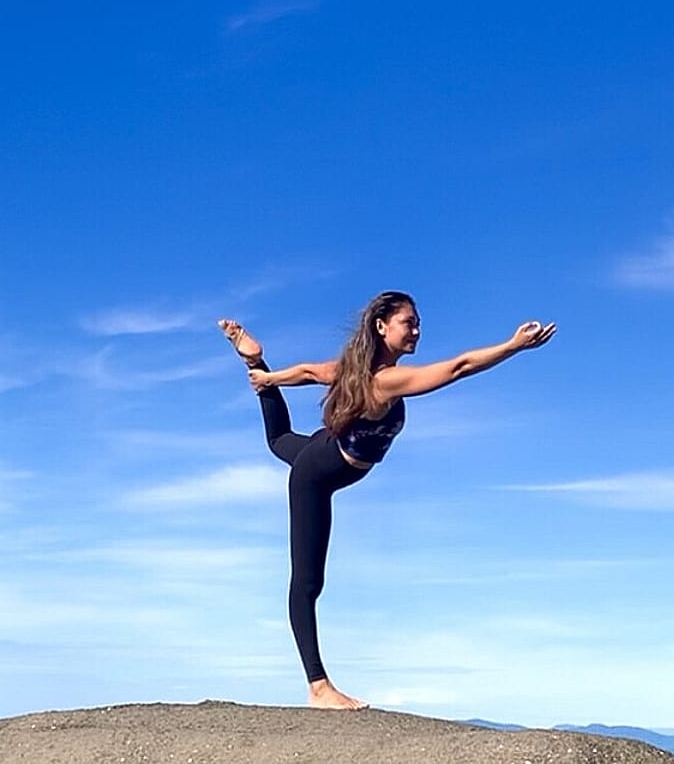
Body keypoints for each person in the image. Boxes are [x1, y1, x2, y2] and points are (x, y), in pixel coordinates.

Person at [218, 290, 556, 710]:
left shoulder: (355, 371)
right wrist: (511, 347)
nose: (416, 330)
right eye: (408, 322)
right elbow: (458, 367)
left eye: (417, 323)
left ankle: (253, 359)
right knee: (307, 582)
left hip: (325, 452)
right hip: (318, 474)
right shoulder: (385, 381)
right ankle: (318, 686)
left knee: (278, 441)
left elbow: (308, 372)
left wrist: (266, 376)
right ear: (381, 326)